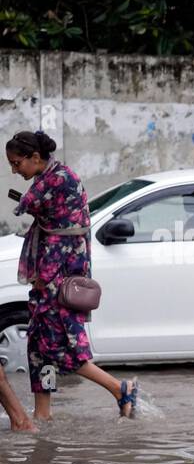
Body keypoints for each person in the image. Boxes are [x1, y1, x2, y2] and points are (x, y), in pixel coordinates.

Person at [6, 131, 139, 420]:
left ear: (35, 158)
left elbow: (50, 226)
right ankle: (43, 414)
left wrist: (43, 276)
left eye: (17, 164)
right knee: (38, 348)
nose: (14, 171)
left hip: (60, 278)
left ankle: (119, 387)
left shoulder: (58, 179)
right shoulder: (51, 176)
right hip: (50, 276)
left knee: (58, 346)